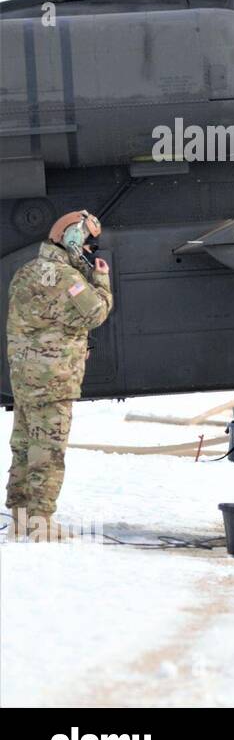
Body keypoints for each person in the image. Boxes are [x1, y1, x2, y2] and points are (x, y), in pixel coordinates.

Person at [6, 211, 113, 541]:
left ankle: (20, 517)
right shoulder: (69, 279)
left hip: (25, 378)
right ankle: (41, 523)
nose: (88, 247)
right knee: (48, 450)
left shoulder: (24, 273)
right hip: (54, 379)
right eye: (86, 240)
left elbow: (46, 321)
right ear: (72, 238)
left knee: (24, 446)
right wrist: (102, 281)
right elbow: (96, 312)